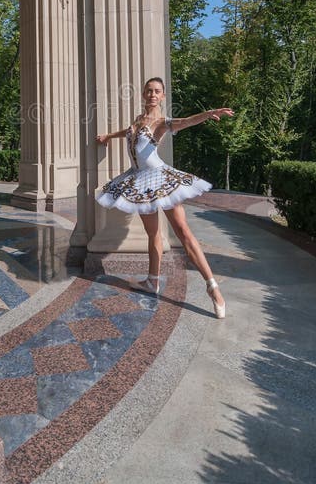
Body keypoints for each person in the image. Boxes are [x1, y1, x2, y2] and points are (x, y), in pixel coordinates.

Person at [96, 77, 234, 318]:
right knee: (153, 235)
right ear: (143, 94)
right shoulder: (139, 120)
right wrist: (109, 135)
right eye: (148, 90)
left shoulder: (160, 123)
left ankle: (213, 287)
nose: (152, 94)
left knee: (183, 232)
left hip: (159, 180)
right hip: (140, 182)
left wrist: (208, 113)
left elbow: (184, 121)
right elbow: (128, 132)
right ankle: (153, 281)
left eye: (157, 91)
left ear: (162, 96)